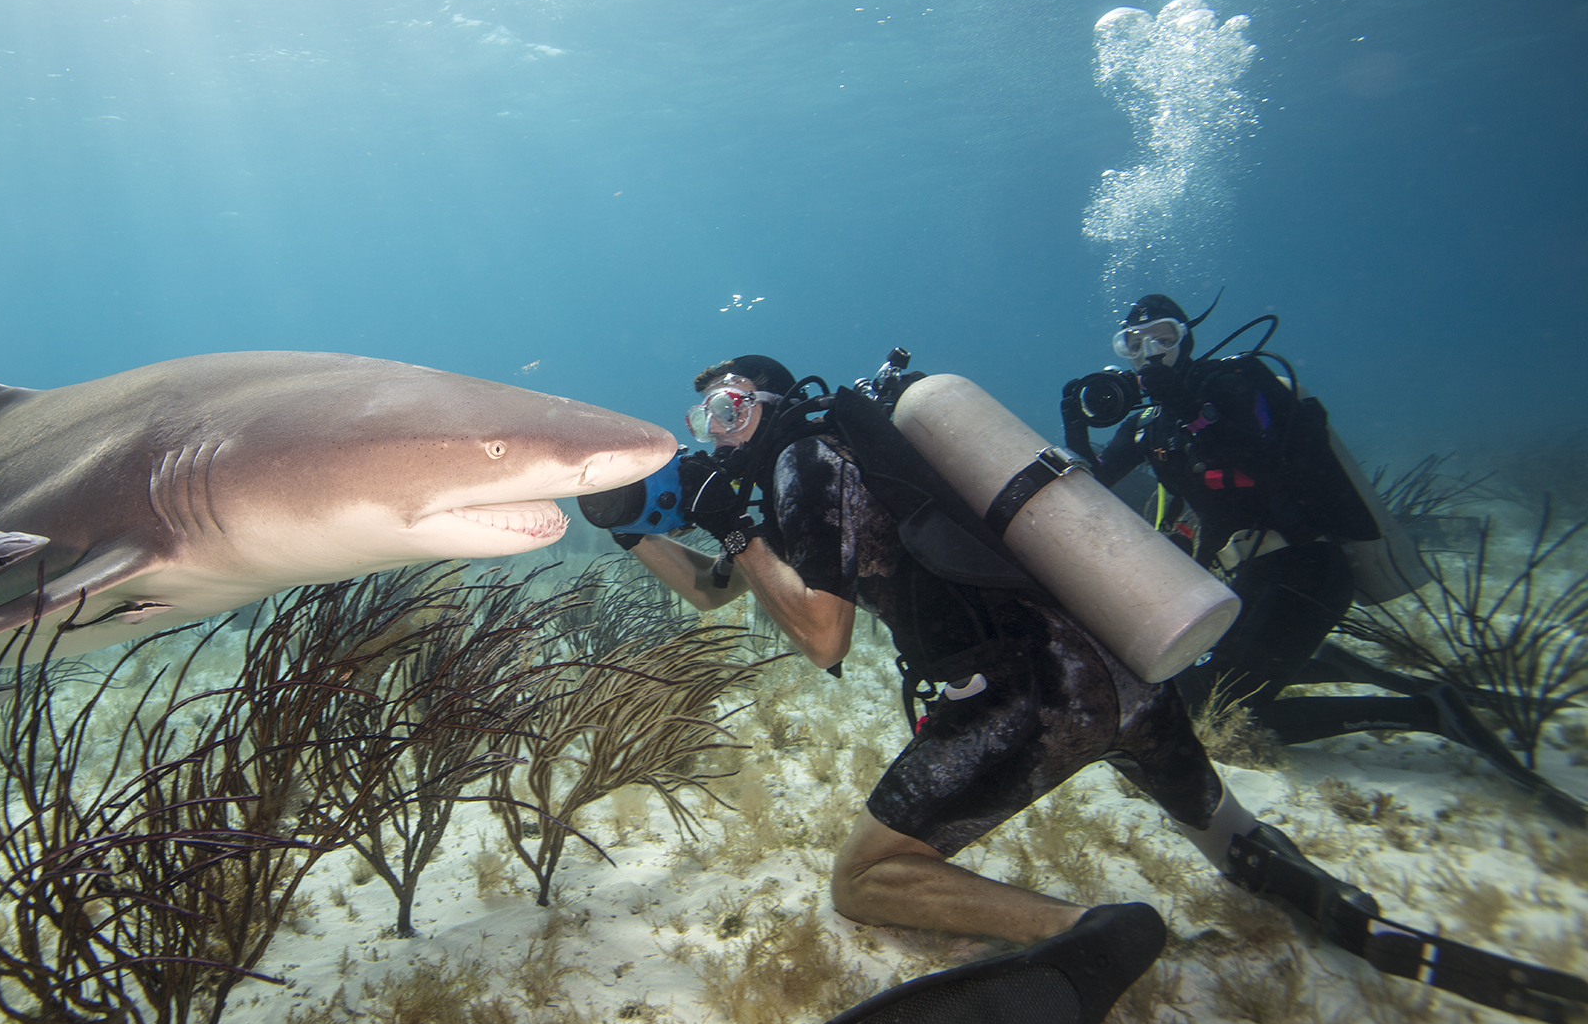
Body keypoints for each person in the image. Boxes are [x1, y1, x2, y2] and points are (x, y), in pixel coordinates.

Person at [622, 353, 1288, 947]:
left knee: (861, 880)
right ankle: (1329, 903)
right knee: (1230, 834)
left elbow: (824, 638)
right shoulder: (827, 464)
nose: (714, 429)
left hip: (1031, 693)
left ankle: (1087, 931)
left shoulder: (804, 461)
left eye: (727, 407)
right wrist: (632, 530)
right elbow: (715, 590)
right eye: (702, 416)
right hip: (1118, 660)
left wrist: (734, 526)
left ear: (770, 403)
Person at [1059, 295, 1547, 787]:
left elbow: (1264, 455)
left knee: (1223, 715)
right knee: (1183, 688)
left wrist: (1193, 409)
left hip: (1307, 572)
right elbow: (1094, 489)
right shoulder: (1148, 425)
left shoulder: (1233, 383)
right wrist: (1075, 433)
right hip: (1247, 579)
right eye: (1134, 342)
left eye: (1163, 336)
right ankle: (1327, 661)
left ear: (1187, 338)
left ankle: (1430, 712)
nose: (1150, 351)